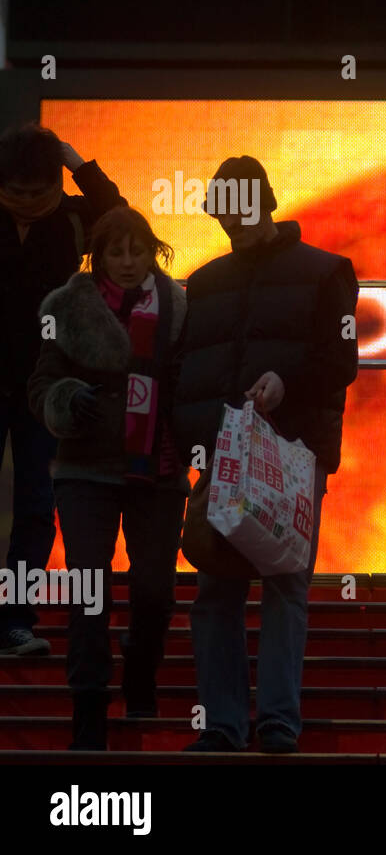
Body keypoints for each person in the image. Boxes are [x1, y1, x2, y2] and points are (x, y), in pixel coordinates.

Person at [172, 156, 358, 753]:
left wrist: (287, 381)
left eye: (245, 206)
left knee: (283, 586)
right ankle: (225, 724)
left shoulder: (329, 273)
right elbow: (184, 377)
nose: (237, 220)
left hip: (295, 455)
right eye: (226, 210)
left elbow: (342, 361)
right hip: (222, 459)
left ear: (269, 202)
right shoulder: (201, 285)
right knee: (217, 592)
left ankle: (277, 722)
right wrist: (189, 454)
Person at [27, 207, 188, 748]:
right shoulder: (65, 307)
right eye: (115, 251)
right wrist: (68, 400)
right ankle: (89, 711)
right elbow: (42, 384)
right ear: (97, 254)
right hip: (85, 469)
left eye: (136, 250)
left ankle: (140, 672)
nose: (126, 262)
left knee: (154, 590)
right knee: (89, 590)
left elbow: (195, 383)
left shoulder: (181, 309)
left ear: (152, 251)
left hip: (157, 469)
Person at [0, 122, 126, 656]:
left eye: (38, 192)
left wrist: (77, 161)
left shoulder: (75, 218)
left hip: (42, 384)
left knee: (34, 503)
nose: (27, 202)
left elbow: (119, 213)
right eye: (16, 192)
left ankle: (14, 622)